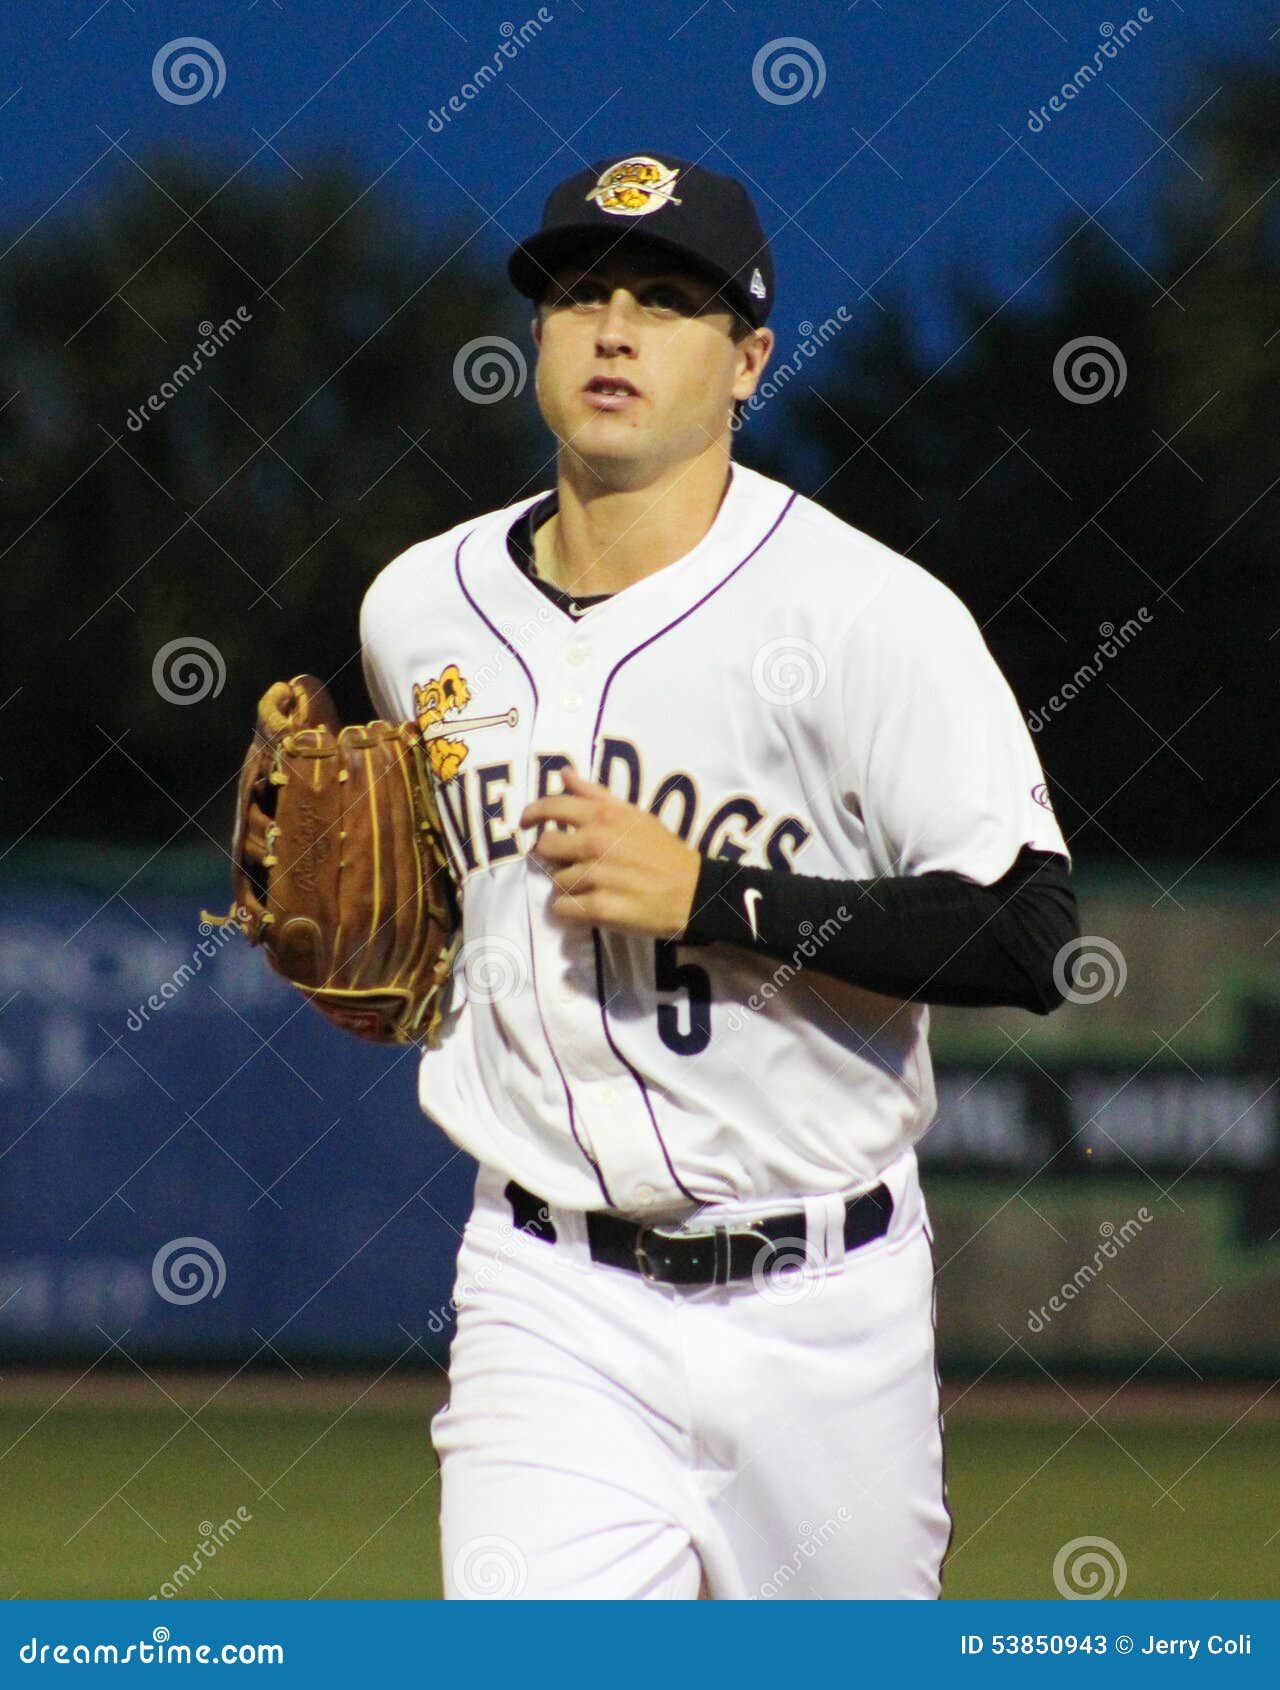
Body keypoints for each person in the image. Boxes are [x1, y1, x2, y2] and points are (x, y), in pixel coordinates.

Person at [359, 151, 1080, 1600]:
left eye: (668, 302)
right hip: (547, 1292)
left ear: (749, 360)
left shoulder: (867, 615)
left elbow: (1028, 935)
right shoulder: (418, 609)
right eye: (581, 293)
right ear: (539, 335)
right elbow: (442, 903)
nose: (614, 330)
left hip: (827, 1306)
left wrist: (716, 896)